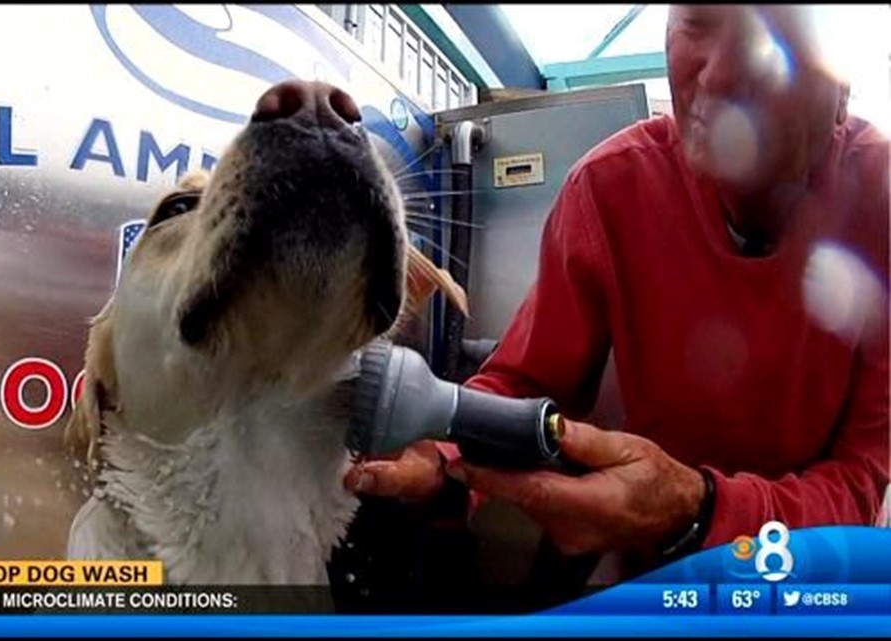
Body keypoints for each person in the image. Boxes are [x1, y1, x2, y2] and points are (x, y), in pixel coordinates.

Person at [345, 4, 889, 579]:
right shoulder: (610, 188)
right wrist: (441, 452)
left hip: (816, 572)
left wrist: (698, 510)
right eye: (701, 21)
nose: (723, 74)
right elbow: (527, 380)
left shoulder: (879, 201)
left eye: (775, 39)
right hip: (652, 568)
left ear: (840, 92)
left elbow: (859, 482)